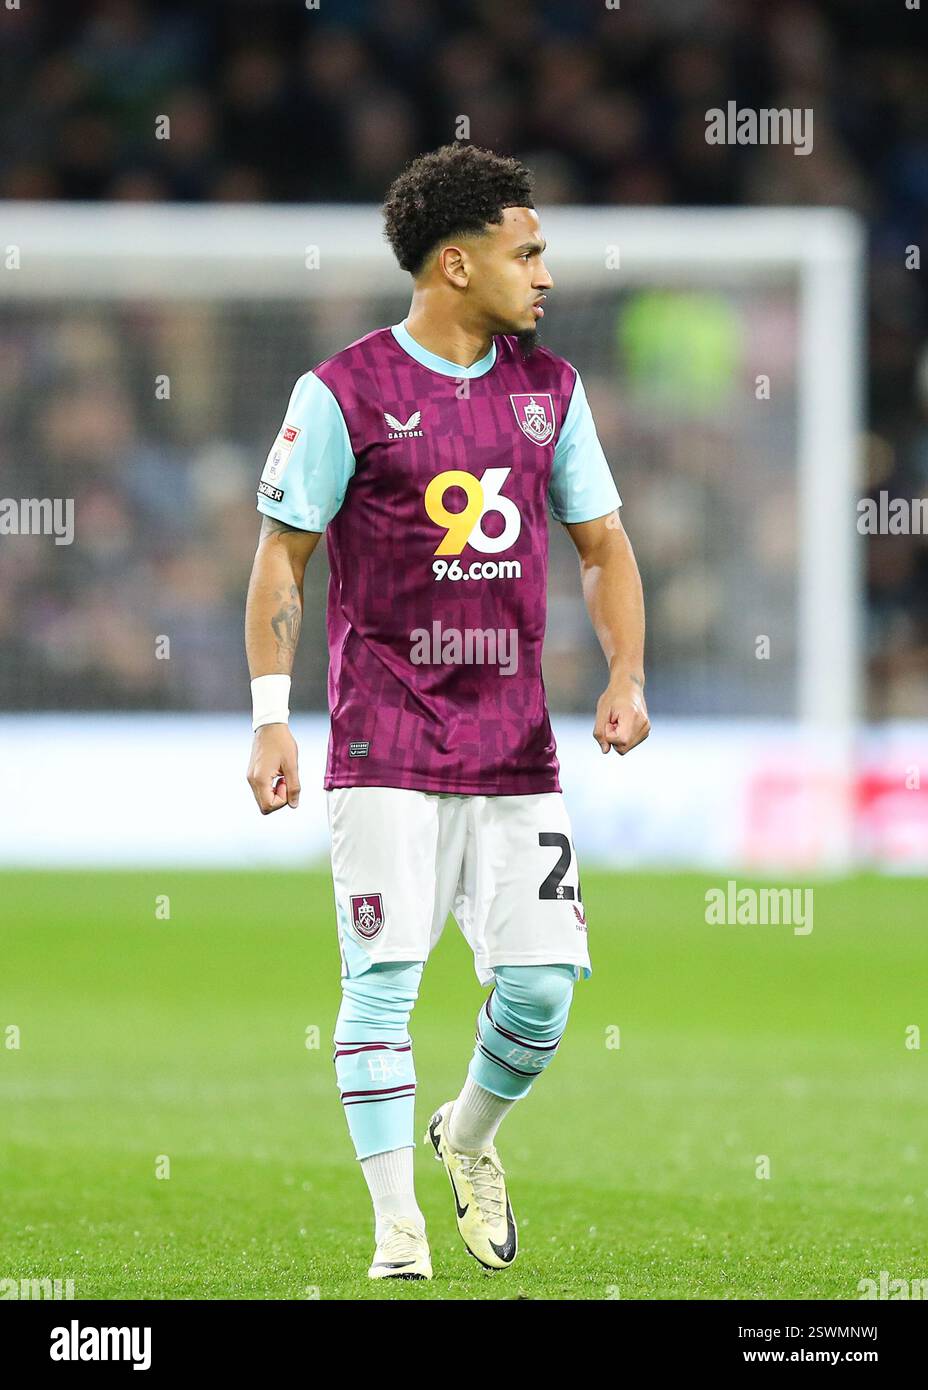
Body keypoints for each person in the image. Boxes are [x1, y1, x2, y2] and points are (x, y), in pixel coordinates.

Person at [245, 144, 649, 1281]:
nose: (545, 275)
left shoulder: (549, 391)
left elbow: (603, 543)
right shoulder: (341, 393)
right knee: (379, 984)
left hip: (515, 748)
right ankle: (395, 1229)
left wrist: (625, 675)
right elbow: (282, 559)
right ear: (457, 264)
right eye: (527, 253)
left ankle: (466, 1138)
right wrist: (273, 714)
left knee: (541, 993)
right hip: (383, 741)